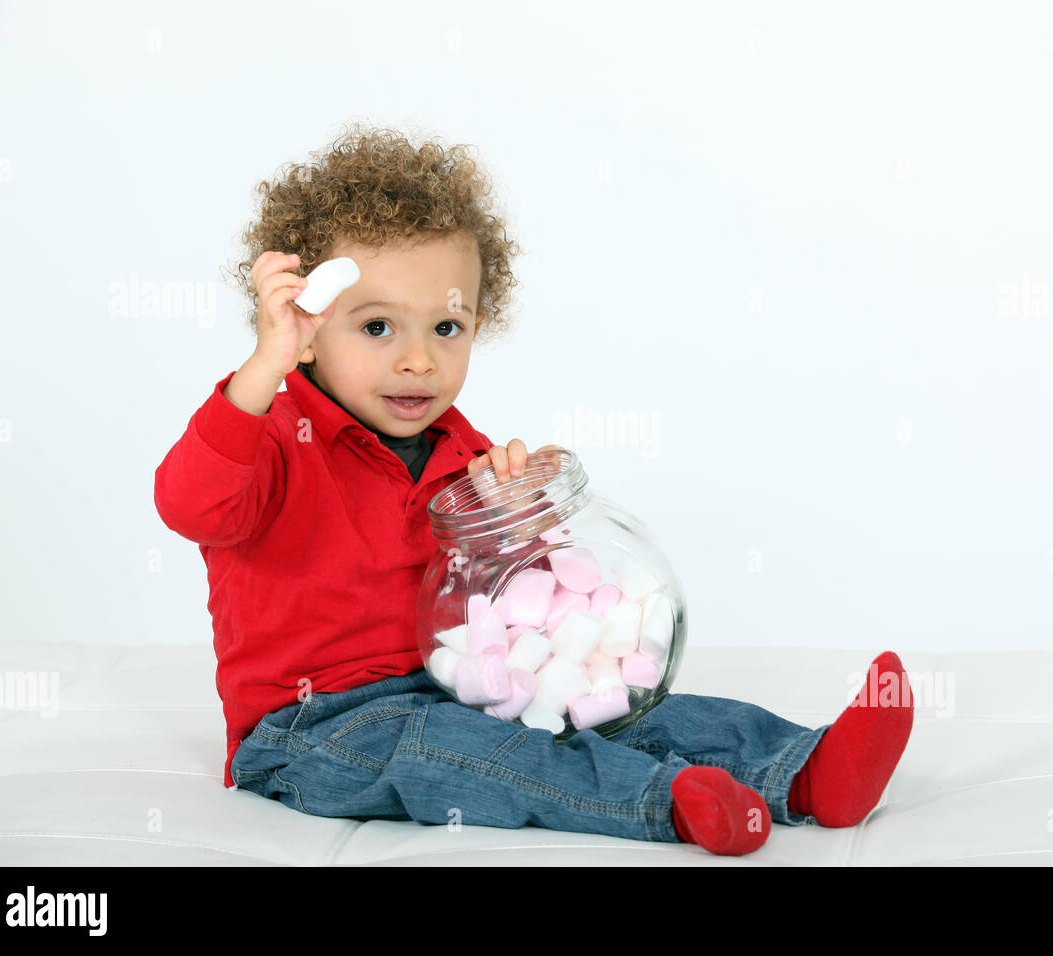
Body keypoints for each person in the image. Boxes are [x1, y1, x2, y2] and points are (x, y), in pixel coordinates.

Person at [154, 122, 914, 855]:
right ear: (307, 329)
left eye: (445, 329)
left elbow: (520, 607)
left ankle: (807, 773)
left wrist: (529, 513)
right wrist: (264, 366)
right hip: (312, 728)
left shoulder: (464, 451)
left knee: (613, 711)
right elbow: (191, 504)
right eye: (378, 327)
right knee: (452, 751)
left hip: (461, 685)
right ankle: (667, 804)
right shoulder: (273, 433)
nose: (418, 360)